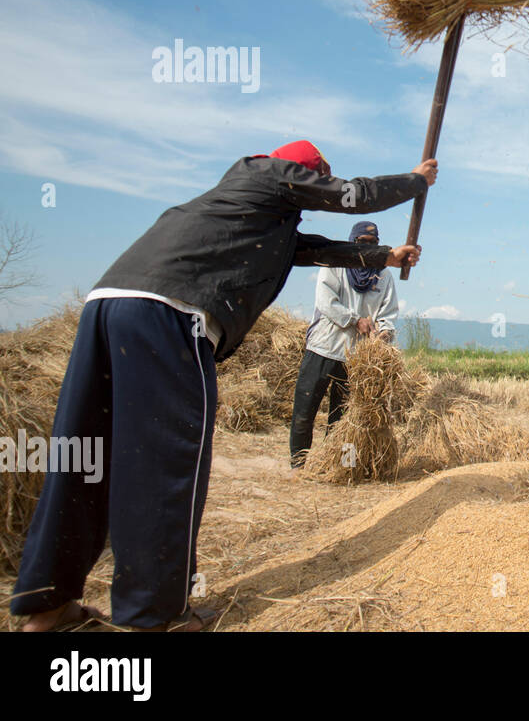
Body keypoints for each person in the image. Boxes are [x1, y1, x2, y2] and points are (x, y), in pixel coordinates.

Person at [10, 140, 436, 632]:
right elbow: (353, 195)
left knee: (84, 453)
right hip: (172, 313)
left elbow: (320, 251)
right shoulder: (266, 172)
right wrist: (415, 181)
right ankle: (156, 615)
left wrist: (384, 256)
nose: (318, 189)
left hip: (111, 304)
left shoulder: (257, 217)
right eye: (319, 177)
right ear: (305, 171)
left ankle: (47, 604)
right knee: (167, 463)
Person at [289, 219, 399, 468]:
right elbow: (327, 302)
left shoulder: (383, 276)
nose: (367, 249)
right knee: (305, 410)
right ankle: (298, 466)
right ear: (353, 242)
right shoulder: (335, 265)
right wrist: (355, 320)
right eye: (362, 243)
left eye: (373, 244)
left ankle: (342, 467)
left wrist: (383, 332)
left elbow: (388, 314)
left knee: (345, 418)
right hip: (325, 347)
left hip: (356, 357)